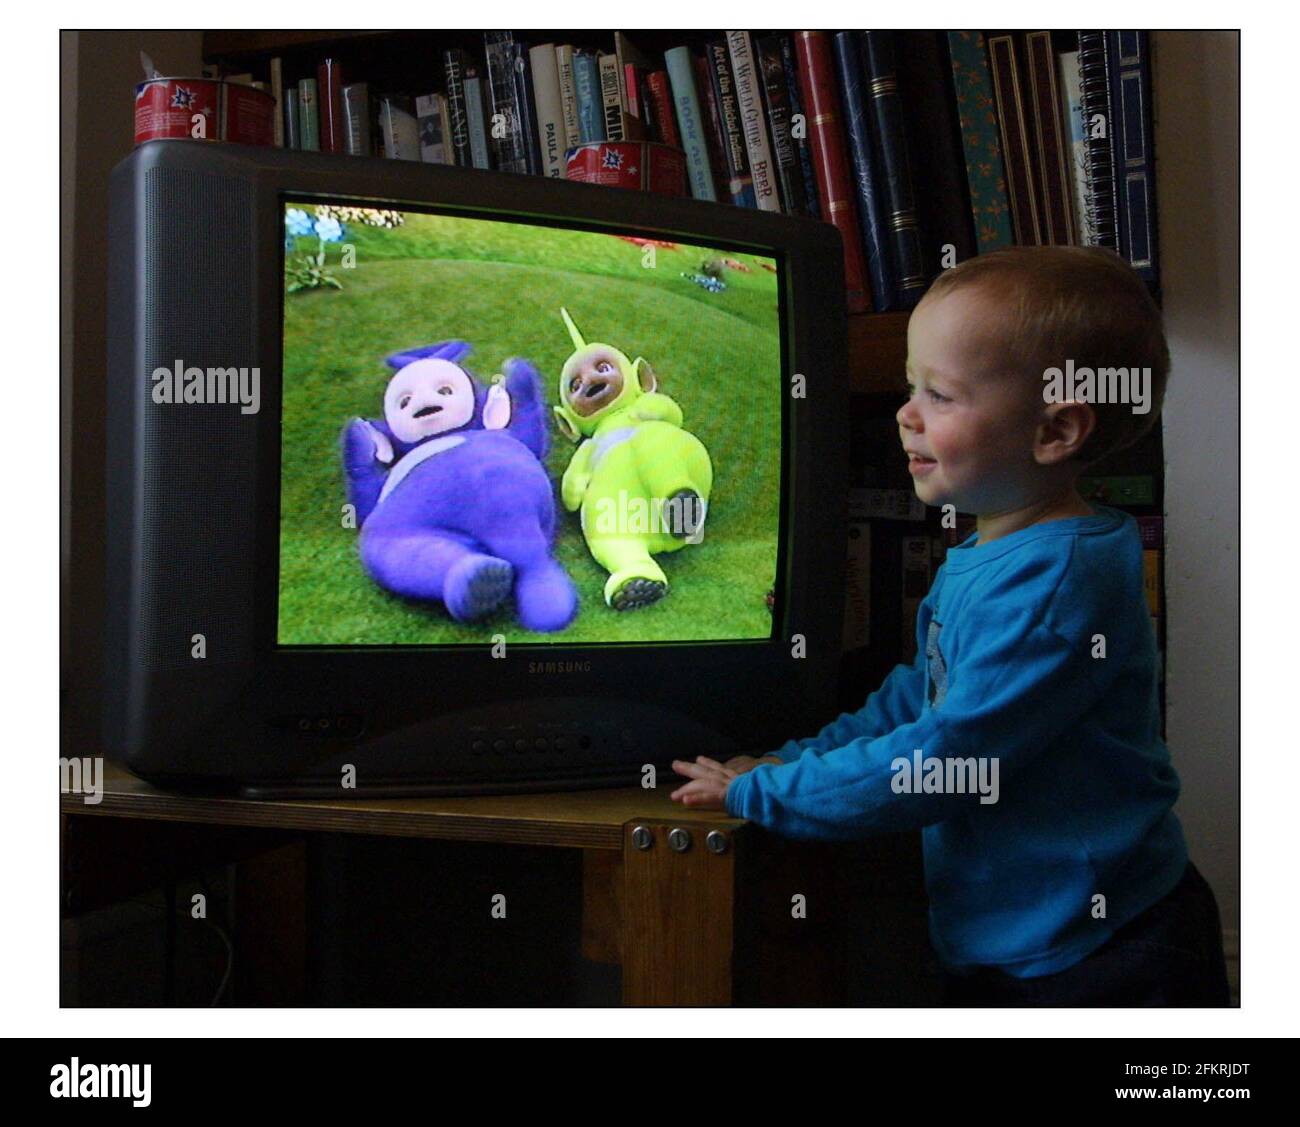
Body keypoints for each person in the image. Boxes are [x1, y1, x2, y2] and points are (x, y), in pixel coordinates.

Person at [671, 247, 1231, 1007]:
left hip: (1100, 949)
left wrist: (771, 793)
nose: (905, 413)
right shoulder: (992, 550)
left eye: (939, 393)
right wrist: (791, 757)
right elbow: (915, 695)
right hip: (1018, 928)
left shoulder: (1053, 583)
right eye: (910, 385)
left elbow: (946, 752)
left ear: (1056, 430)